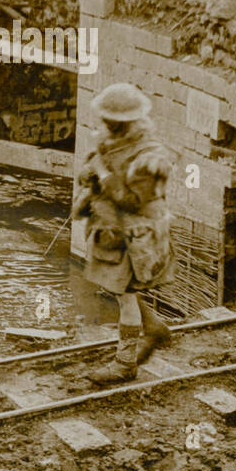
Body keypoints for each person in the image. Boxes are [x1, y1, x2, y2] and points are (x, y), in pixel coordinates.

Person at [72, 83, 176, 385]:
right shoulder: (109, 143)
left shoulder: (149, 157)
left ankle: (125, 363)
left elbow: (133, 200)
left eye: (112, 121)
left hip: (136, 237)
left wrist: (103, 173)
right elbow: (93, 170)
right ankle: (154, 327)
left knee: (126, 296)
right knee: (119, 289)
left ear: (126, 122)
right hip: (111, 232)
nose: (107, 126)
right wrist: (90, 174)